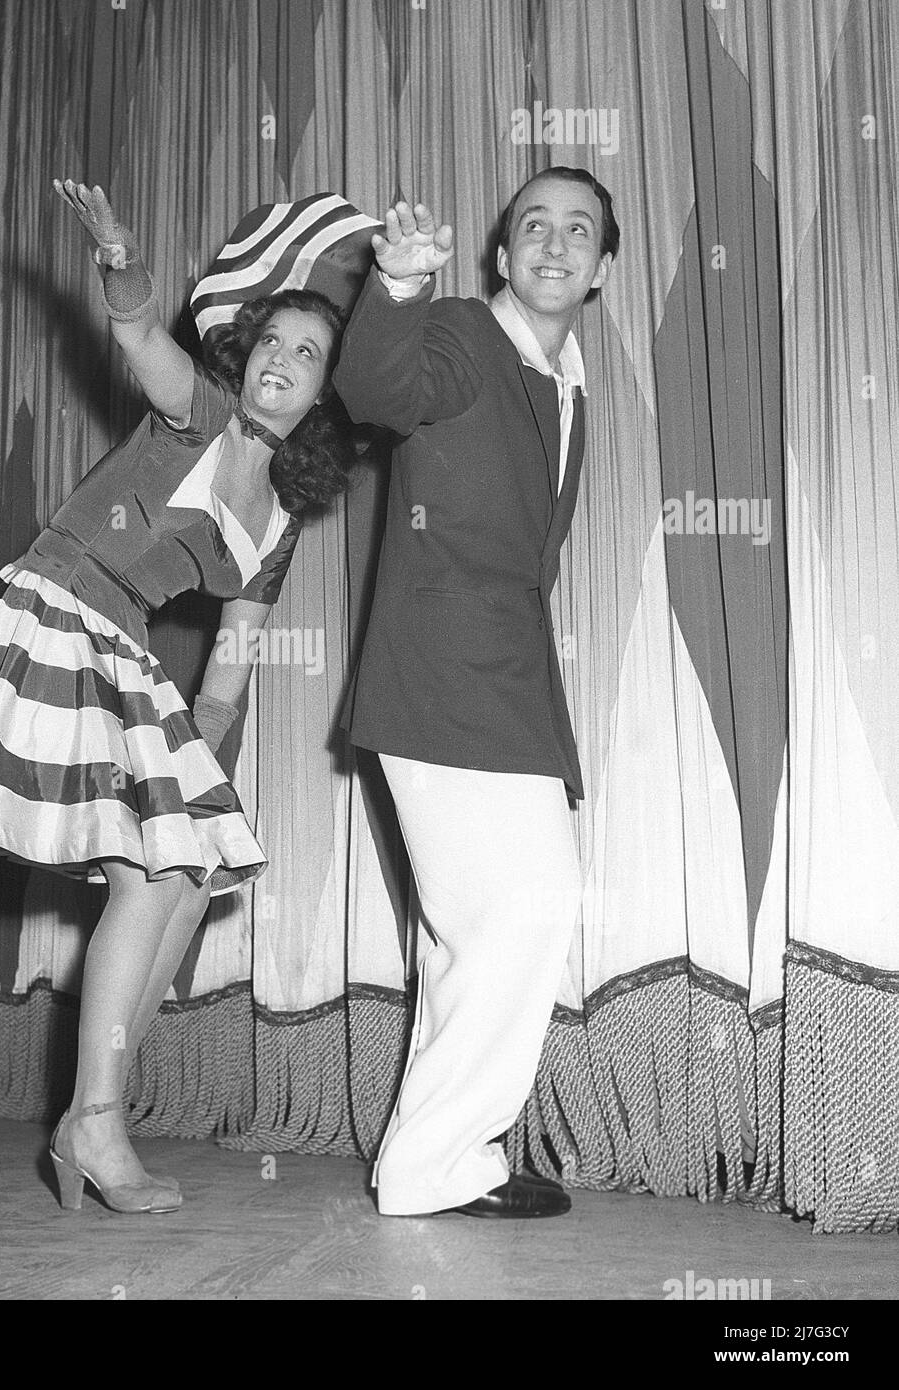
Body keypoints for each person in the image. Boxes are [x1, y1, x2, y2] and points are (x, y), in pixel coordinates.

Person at [0, 181, 356, 1214]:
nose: (281, 361)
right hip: (59, 604)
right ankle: (96, 1122)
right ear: (248, 358)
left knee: (186, 882)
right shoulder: (194, 409)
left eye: (307, 355)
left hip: (125, 648)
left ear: (323, 394)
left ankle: (88, 1116)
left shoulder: (278, 525)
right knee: (149, 878)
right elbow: (140, 329)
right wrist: (119, 256)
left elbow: (229, 675)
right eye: (272, 343)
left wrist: (196, 790)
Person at [333, 167, 619, 1219]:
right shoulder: (461, 334)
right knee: (526, 904)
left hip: (503, 681)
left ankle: (438, 1158)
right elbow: (379, 389)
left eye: (577, 229)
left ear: (599, 268)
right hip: (441, 673)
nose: (553, 243)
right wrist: (397, 286)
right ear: (501, 255)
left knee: (482, 922)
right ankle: (438, 1161)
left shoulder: (566, 382)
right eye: (533, 226)